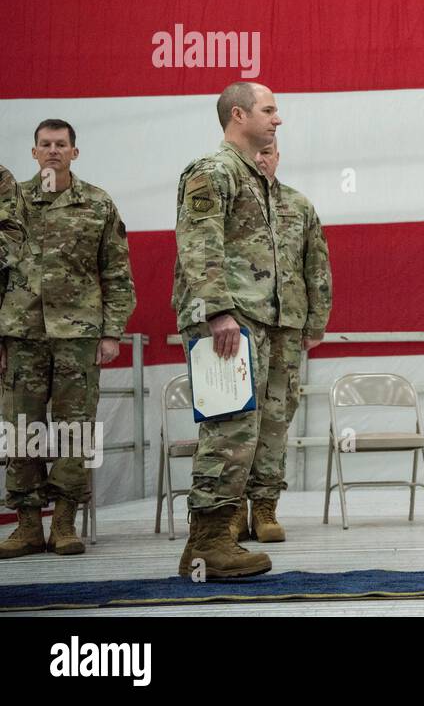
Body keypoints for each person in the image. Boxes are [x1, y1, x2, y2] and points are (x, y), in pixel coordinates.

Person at [0, 121, 136, 559]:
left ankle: (63, 522)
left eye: (61, 144)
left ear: (74, 152)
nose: (53, 151)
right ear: (34, 152)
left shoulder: (97, 204)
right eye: (45, 144)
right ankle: (27, 525)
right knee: (20, 429)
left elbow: (116, 273)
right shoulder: (11, 202)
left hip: (78, 336)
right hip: (21, 333)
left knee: (74, 429)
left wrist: (111, 332)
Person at [172, 82, 284, 579]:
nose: (277, 119)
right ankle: (206, 546)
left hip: (248, 319)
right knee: (226, 429)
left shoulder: (250, 175)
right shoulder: (214, 170)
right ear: (238, 115)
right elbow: (199, 243)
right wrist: (218, 311)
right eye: (269, 110)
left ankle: (216, 539)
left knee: (240, 431)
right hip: (223, 321)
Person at [226, 139, 332, 543]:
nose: (261, 159)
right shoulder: (230, 200)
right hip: (239, 325)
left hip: (286, 326)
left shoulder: (299, 206)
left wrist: (316, 322)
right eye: (255, 152)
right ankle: (231, 509)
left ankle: (265, 508)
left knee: (276, 418)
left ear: (278, 157)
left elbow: (317, 267)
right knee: (234, 418)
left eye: (268, 152)